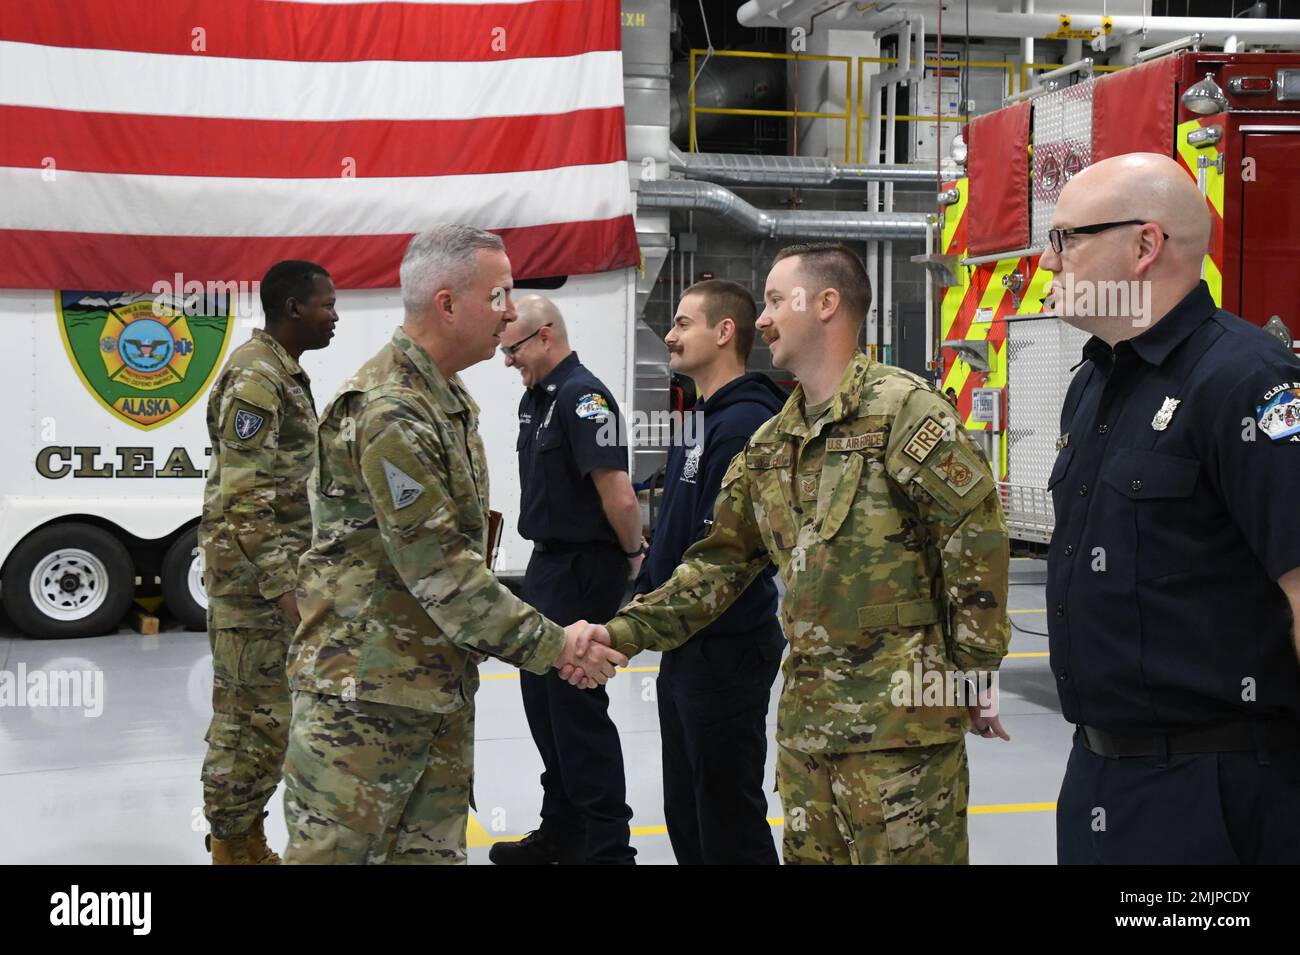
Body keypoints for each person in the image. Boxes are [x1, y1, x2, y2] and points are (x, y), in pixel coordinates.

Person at [594, 242, 1012, 865]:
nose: (761, 320)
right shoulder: (772, 442)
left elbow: (973, 541)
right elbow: (720, 564)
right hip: (809, 738)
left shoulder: (905, 412)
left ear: (826, 303)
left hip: (900, 739)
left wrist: (975, 671)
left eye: (772, 301)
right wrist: (620, 633)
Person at [282, 226, 625, 865]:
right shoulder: (392, 410)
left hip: (429, 692)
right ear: (446, 304)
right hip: (364, 708)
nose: (508, 311)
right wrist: (557, 646)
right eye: (498, 294)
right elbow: (439, 569)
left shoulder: (446, 399)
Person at [1039, 152, 1300, 864]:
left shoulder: (1249, 380)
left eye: (1067, 238)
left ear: (1145, 245)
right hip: (1099, 773)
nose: (1047, 258)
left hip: (1213, 790)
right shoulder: (1094, 383)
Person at [488, 294, 640, 865]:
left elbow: (618, 493)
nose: (507, 361)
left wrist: (631, 557)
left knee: (576, 710)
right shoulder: (539, 399)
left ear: (545, 335)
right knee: (544, 708)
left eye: (514, 349)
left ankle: (606, 849)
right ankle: (563, 832)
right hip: (548, 567)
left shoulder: (586, 399)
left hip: (584, 569)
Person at [640, 279, 786, 864]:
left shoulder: (746, 422)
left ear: (724, 332)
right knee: (688, 808)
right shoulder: (702, 418)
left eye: (682, 324)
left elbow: (723, 553)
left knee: (726, 814)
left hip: (725, 646)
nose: (671, 337)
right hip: (685, 642)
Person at [199, 259, 336, 864]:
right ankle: (232, 844)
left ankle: (241, 837)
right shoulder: (258, 379)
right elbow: (243, 496)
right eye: (326, 304)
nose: (335, 316)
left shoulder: (283, 373)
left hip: (273, 573)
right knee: (247, 720)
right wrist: (284, 588)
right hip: (253, 586)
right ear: (293, 308)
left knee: (268, 716)